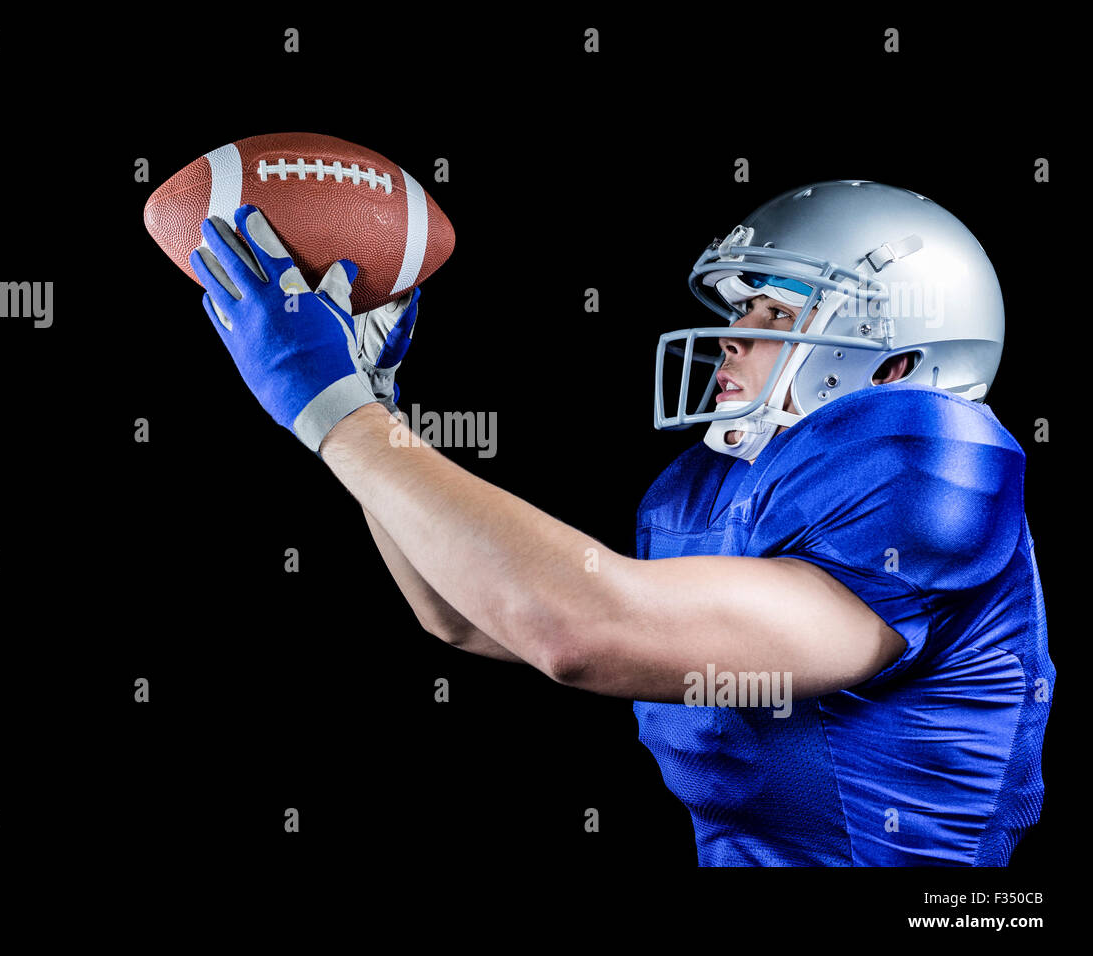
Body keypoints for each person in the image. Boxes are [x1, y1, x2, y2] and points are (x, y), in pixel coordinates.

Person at [187, 180, 1053, 866]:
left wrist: (339, 416)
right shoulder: (708, 488)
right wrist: (375, 410)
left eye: (778, 313)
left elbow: (583, 632)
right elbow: (463, 614)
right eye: (740, 310)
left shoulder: (933, 453)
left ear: (898, 362)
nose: (731, 337)